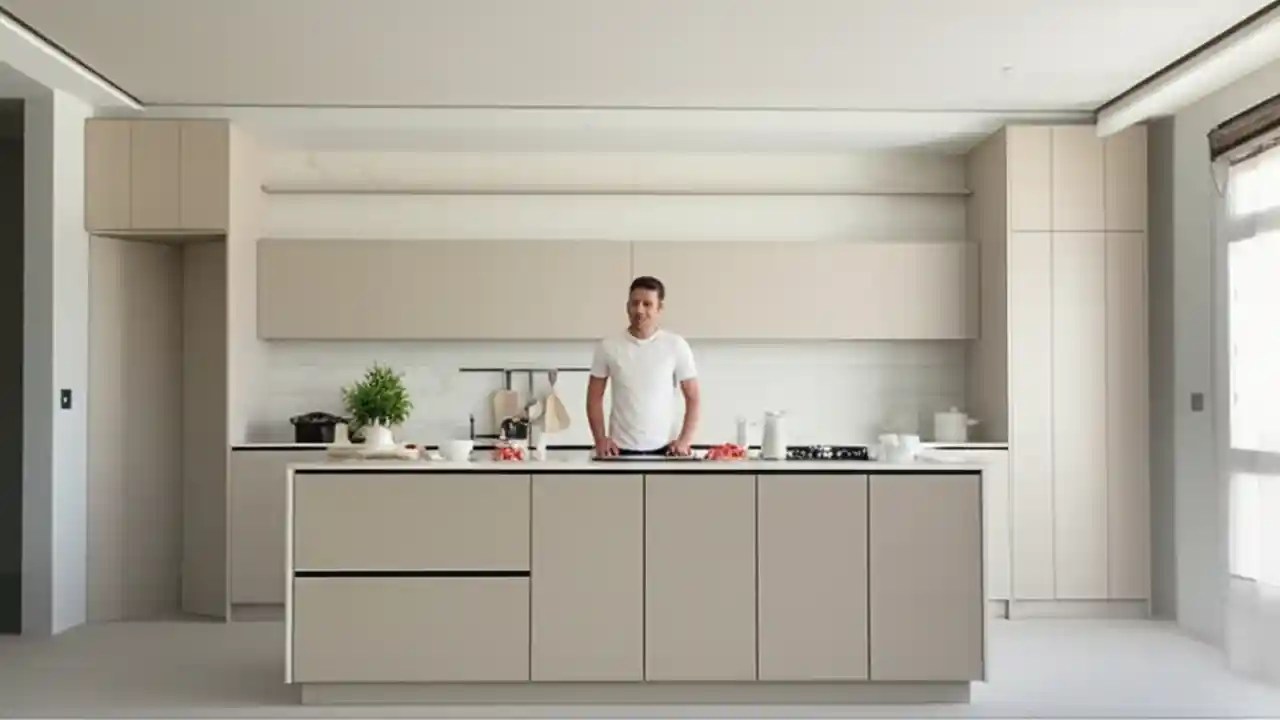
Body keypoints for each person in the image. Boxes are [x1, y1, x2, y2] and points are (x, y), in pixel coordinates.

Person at [587, 276, 700, 457]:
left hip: (666, 451)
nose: (639, 310)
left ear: (659, 308)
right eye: (635, 303)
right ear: (627, 306)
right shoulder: (608, 346)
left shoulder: (676, 345)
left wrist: (685, 441)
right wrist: (600, 440)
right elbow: (593, 398)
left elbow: (693, 397)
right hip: (619, 452)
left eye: (647, 304)